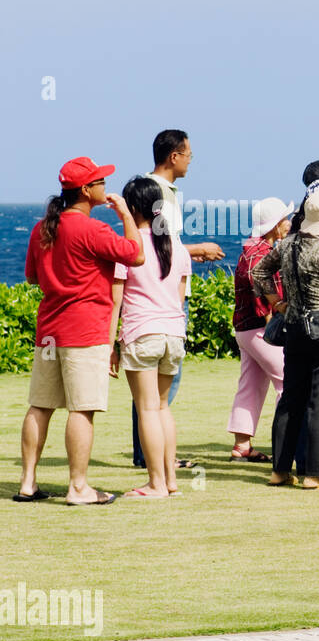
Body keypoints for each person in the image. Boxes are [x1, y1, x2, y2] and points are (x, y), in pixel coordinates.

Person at [17, 157, 143, 505]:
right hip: (84, 331)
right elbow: (136, 254)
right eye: (101, 181)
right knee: (81, 408)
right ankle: (78, 487)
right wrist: (126, 216)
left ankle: (28, 482)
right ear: (87, 190)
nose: (106, 186)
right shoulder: (93, 230)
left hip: (49, 330)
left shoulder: (42, 228)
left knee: (40, 406)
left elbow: (31, 276)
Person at [129, 129, 224, 470]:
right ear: (174, 156)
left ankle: (152, 453)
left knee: (153, 384)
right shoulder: (158, 194)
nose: (190, 160)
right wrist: (195, 250)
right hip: (161, 301)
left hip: (158, 298)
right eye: (188, 154)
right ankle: (150, 456)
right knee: (158, 388)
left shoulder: (162, 192)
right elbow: (153, 244)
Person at [254, 191, 319, 489]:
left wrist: (277, 302)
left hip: (295, 326)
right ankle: (317, 473)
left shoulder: (286, 245)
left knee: (291, 398)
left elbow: (259, 271)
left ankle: (280, 469)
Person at [108, 176, 192, 499]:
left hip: (142, 333)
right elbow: (180, 296)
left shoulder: (129, 247)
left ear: (131, 209)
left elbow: (116, 303)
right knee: (161, 408)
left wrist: (111, 346)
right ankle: (170, 480)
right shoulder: (177, 245)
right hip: (174, 333)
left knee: (145, 410)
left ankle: (155, 483)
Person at [227, 197, 293, 462]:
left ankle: (242, 445)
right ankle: (286, 442)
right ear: (274, 226)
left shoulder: (250, 249)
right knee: (287, 382)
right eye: (284, 220)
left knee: (250, 384)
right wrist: (275, 312)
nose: (288, 224)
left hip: (245, 328)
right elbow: (264, 293)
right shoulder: (263, 254)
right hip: (260, 328)